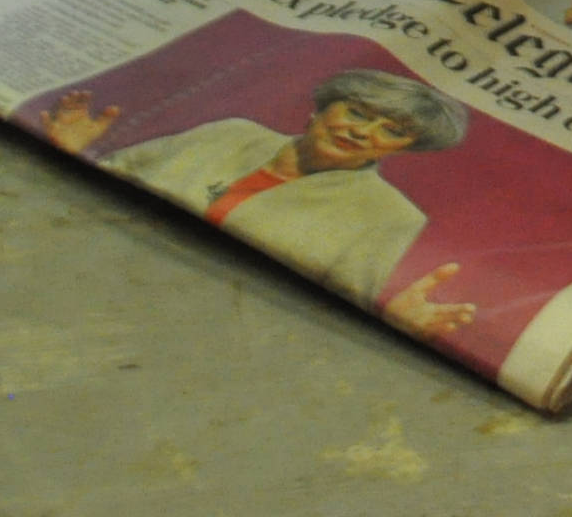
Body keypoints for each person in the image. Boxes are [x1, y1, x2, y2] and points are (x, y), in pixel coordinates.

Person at [42, 68, 478, 337]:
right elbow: (107, 187)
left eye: (392, 130)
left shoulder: (390, 216)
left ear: (403, 149)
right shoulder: (229, 133)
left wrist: (385, 323)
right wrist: (75, 155)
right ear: (320, 110)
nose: (363, 132)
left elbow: (326, 314)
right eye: (358, 113)